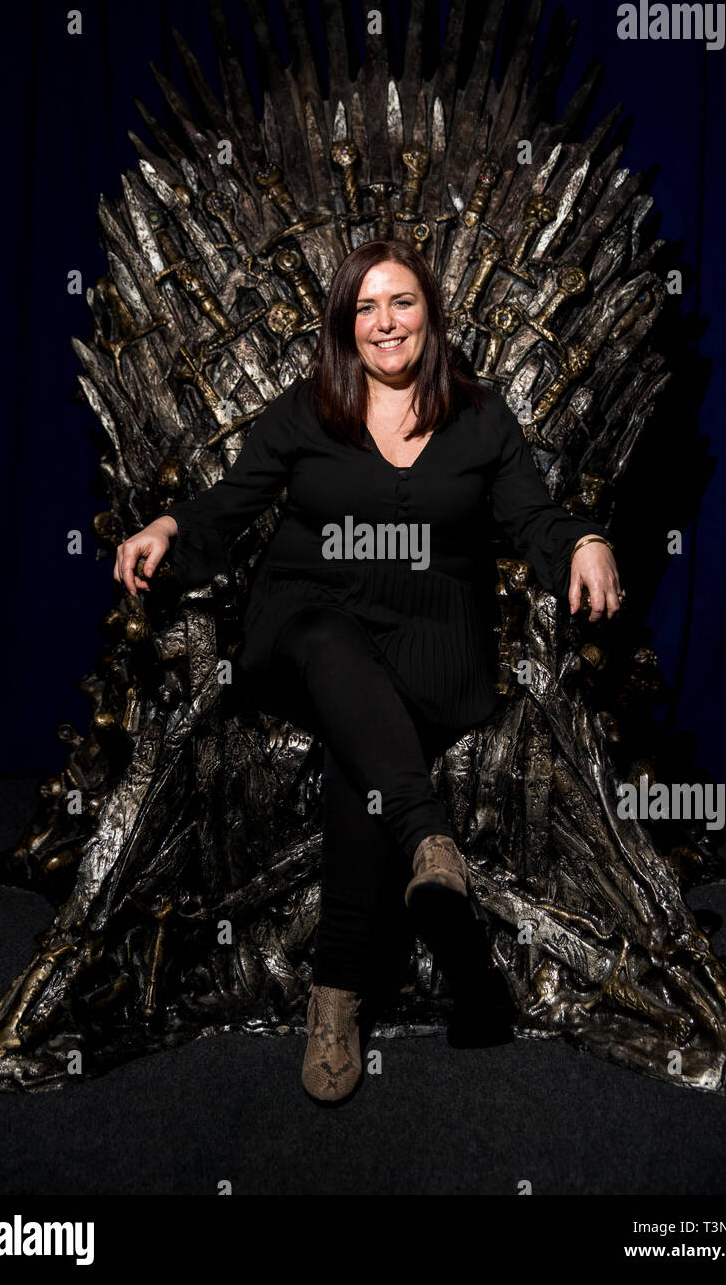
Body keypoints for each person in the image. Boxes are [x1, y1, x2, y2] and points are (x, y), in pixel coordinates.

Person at [113, 238, 622, 1105]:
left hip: (431, 640)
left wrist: (585, 539)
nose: (386, 323)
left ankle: (336, 993)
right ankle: (431, 851)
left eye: (403, 303)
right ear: (346, 326)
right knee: (331, 651)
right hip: (307, 620)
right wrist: (168, 526)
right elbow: (230, 504)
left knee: (366, 749)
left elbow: (531, 516)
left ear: (431, 313)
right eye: (366, 308)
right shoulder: (310, 408)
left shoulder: (480, 417)